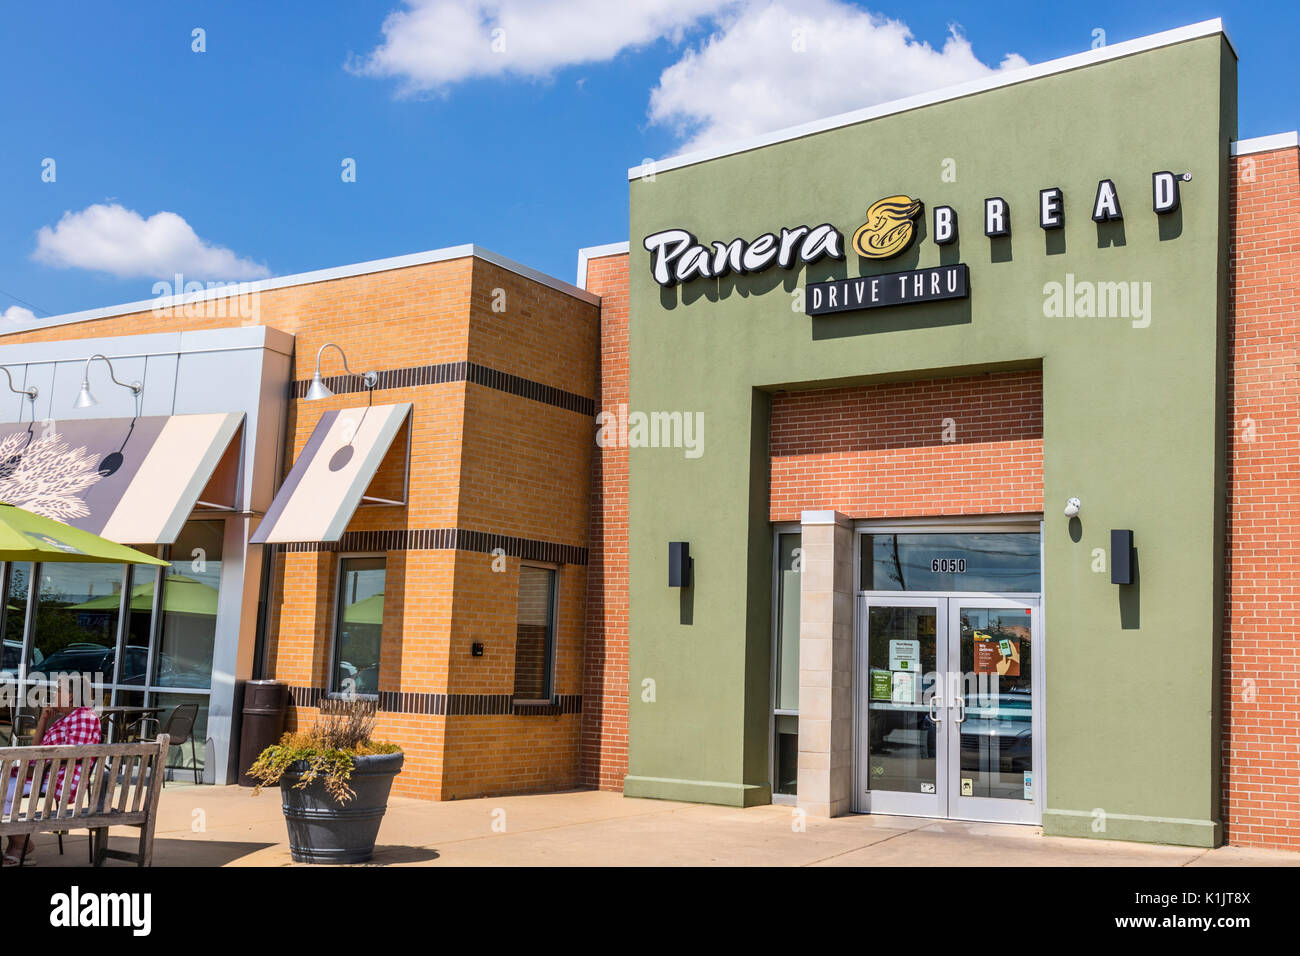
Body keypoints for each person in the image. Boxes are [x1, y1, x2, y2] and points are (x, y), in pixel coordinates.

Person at [3, 675, 101, 866]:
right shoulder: (65, 718)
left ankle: (21, 844)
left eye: (59, 691)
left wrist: (36, 769)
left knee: (3, 788)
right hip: (46, 774)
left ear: (71, 696)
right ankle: (18, 844)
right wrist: (44, 719)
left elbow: (72, 756)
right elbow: (35, 751)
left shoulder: (84, 717)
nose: (54, 694)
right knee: (3, 783)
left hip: (59, 779)